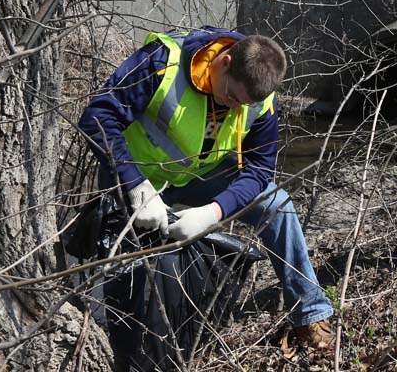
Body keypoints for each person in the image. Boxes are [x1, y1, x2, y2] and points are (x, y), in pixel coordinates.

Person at [78, 26, 333, 349]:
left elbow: (259, 170)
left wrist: (213, 212)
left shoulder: (258, 99)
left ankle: (310, 313)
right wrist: (135, 185)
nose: (236, 108)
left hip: (197, 177)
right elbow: (98, 116)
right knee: (127, 269)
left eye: (243, 104)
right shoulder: (164, 63)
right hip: (136, 181)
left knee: (276, 206)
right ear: (224, 62)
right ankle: (113, 335)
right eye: (232, 97)